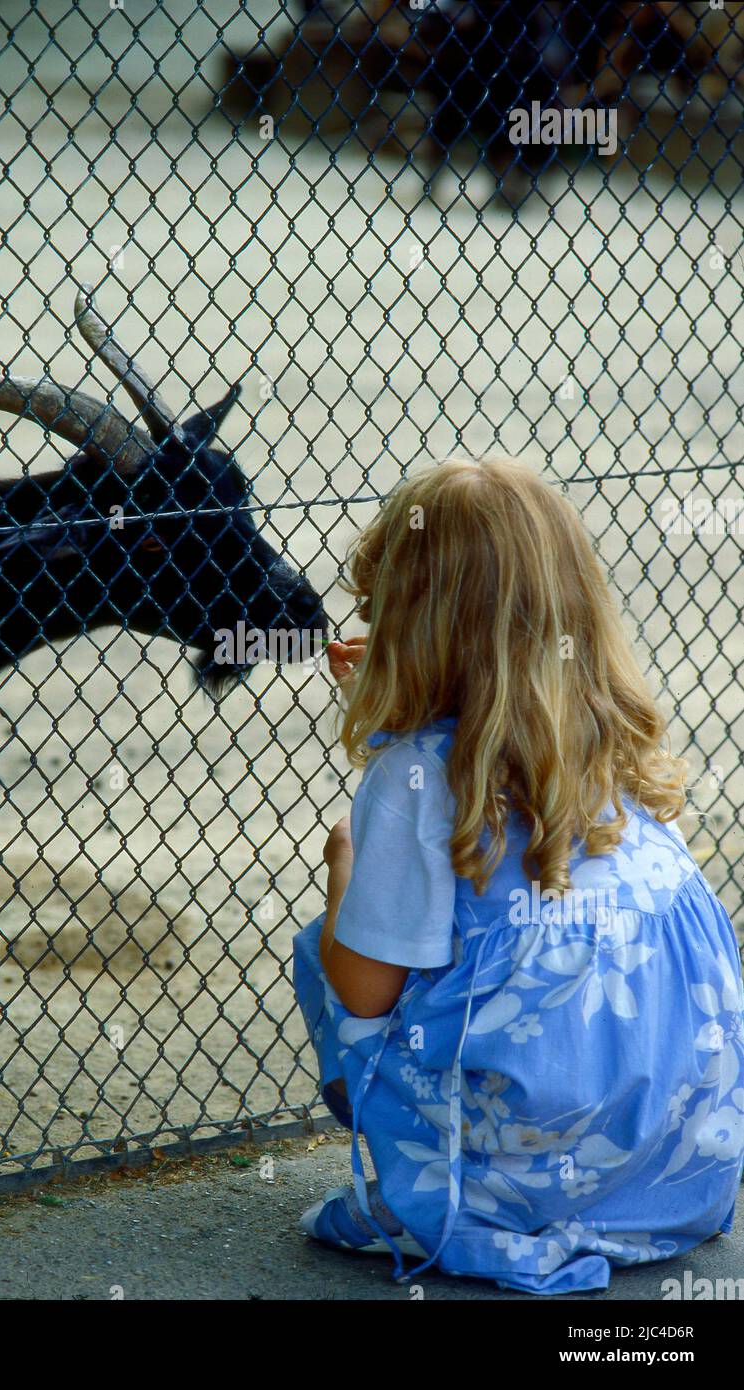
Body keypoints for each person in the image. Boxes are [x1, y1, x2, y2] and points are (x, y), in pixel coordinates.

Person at [293, 457, 744, 1294]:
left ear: (406, 625)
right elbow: (490, 721)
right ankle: (602, 1196)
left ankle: (435, 1192)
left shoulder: (411, 782)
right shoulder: (610, 737)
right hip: (677, 1167)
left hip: (522, 1179)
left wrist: (342, 867)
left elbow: (361, 991)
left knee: (325, 949)